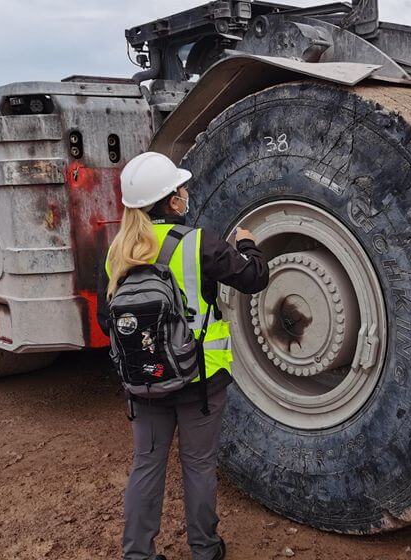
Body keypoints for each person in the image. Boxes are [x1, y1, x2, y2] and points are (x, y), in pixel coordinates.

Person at [100, 152, 269, 560]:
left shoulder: (115, 252)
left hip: (145, 381)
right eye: (181, 188)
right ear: (172, 201)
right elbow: (254, 277)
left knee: (146, 465)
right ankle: (205, 550)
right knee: (198, 465)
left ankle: (138, 554)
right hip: (200, 381)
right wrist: (247, 242)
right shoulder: (199, 243)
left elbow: (110, 320)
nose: (185, 191)